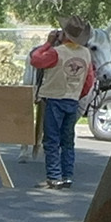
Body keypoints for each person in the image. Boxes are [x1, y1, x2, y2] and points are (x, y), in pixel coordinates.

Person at [28, 15, 94, 188]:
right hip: (72, 100)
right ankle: (67, 176)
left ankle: (54, 177)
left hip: (54, 99)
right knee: (67, 141)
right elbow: (89, 81)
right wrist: (76, 94)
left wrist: (48, 42)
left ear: (63, 34)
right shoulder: (86, 54)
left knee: (51, 140)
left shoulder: (56, 53)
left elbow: (35, 59)